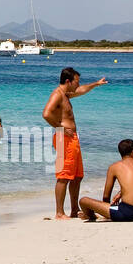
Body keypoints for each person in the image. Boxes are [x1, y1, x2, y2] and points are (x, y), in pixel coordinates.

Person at [41, 67, 108, 219]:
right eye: (76, 81)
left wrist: (96, 84)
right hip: (63, 139)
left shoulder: (67, 94)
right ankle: (59, 212)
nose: (78, 84)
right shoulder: (57, 95)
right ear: (68, 81)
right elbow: (46, 113)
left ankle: (73, 210)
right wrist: (61, 128)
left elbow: (82, 90)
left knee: (77, 176)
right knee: (64, 176)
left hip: (72, 139)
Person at [78, 139, 133, 222]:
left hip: (129, 213)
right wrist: (120, 194)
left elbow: (106, 196)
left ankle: (92, 216)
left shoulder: (114, 167)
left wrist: (105, 210)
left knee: (83, 201)